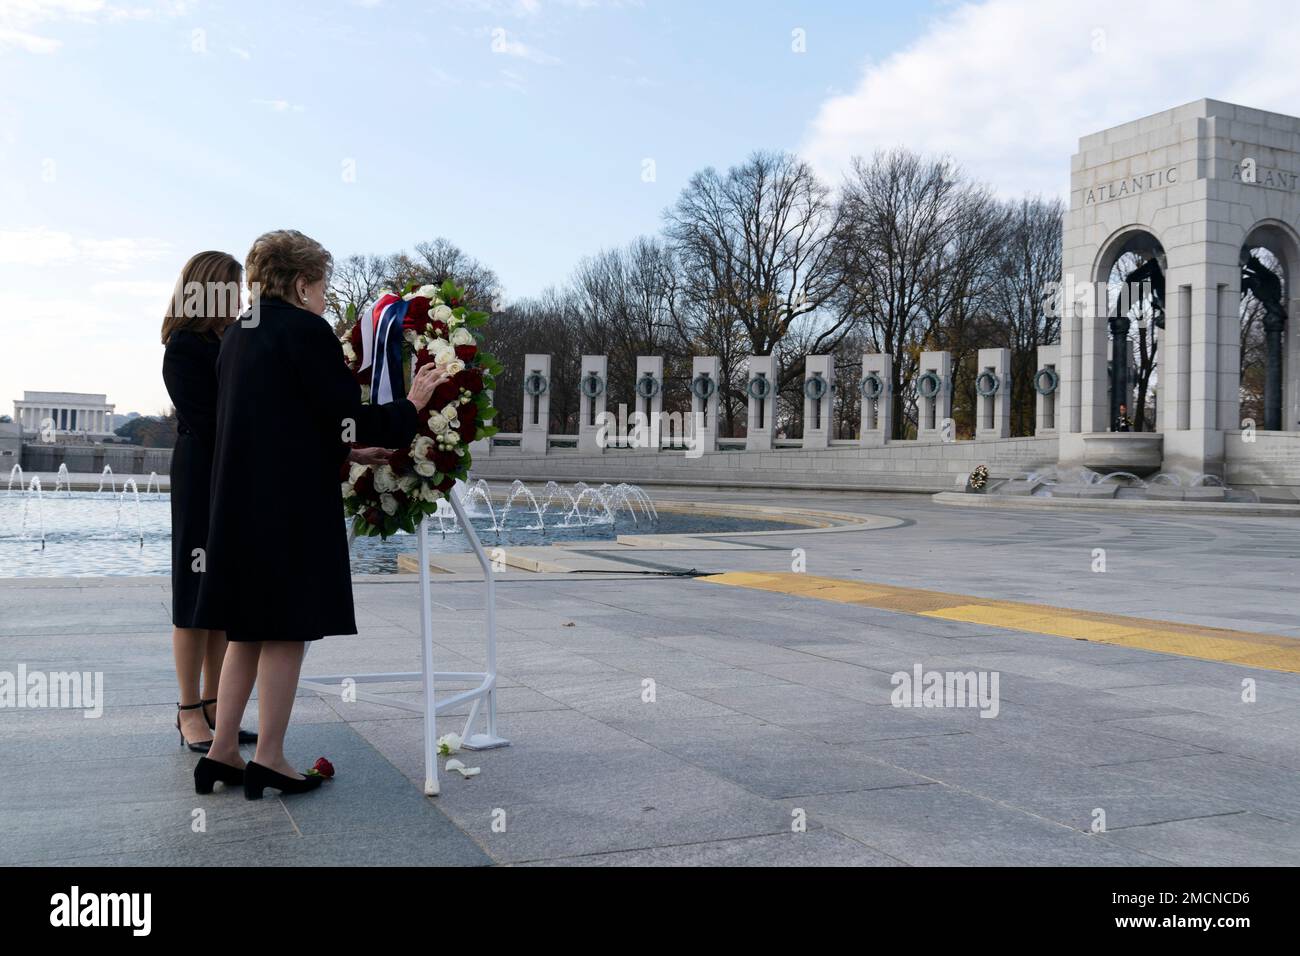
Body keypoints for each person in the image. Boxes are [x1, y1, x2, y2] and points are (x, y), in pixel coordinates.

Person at [193, 230, 449, 799]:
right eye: (324, 286)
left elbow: (280, 420)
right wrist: (410, 406)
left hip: (238, 505)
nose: (326, 299)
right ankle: (273, 759)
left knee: (247, 630)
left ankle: (222, 752)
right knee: (288, 631)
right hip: (290, 507)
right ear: (303, 283)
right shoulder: (306, 331)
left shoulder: (237, 334)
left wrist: (347, 451)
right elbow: (340, 416)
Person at [160, 251, 256, 753]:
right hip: (202, 475)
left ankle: (218, 703)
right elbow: (212, 418)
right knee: (192, 597)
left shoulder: (232, 339)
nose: (242, 298)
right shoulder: (183, 347)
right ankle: (188, 709)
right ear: (210, 290)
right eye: (234, 288)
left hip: (231, 473)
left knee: (220, 596)